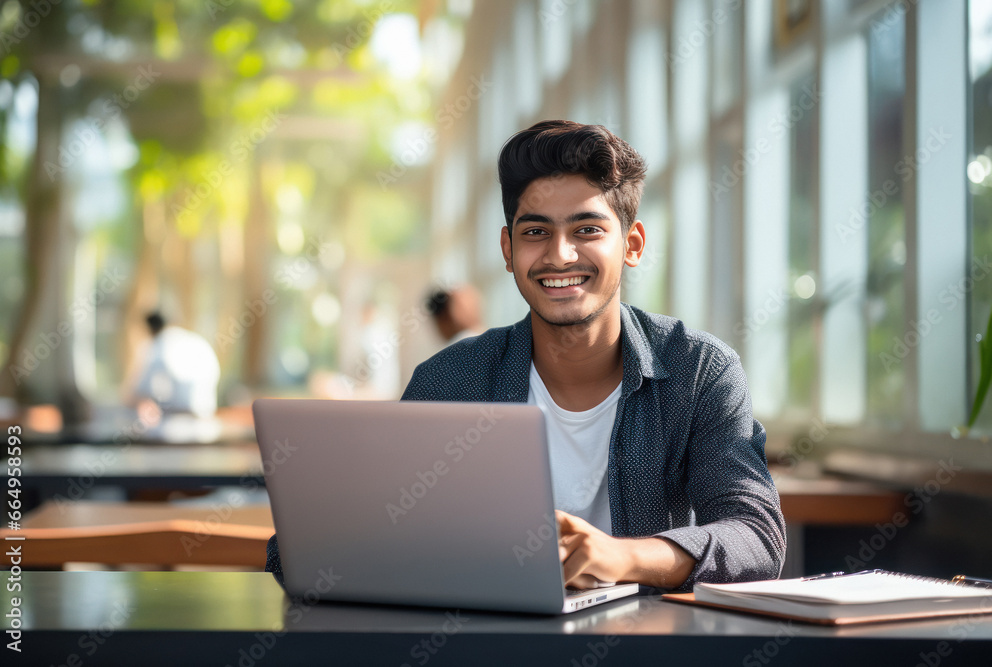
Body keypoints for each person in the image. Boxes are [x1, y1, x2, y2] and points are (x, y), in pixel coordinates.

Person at [265, 120, 784, 590]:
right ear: (509, 251)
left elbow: (756, 536)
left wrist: (621, 558)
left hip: (640, 647)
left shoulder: (698, 370)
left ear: (632, 244)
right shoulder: (451, 380)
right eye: (536, 232)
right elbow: (314, 551)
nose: (559, 255)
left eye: (587, 230)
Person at [129, 311, 221, 418]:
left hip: (175, 418)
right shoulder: (194, 340)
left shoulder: (157, 346)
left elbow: (139, 389)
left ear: (148, 329)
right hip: (206, 412)